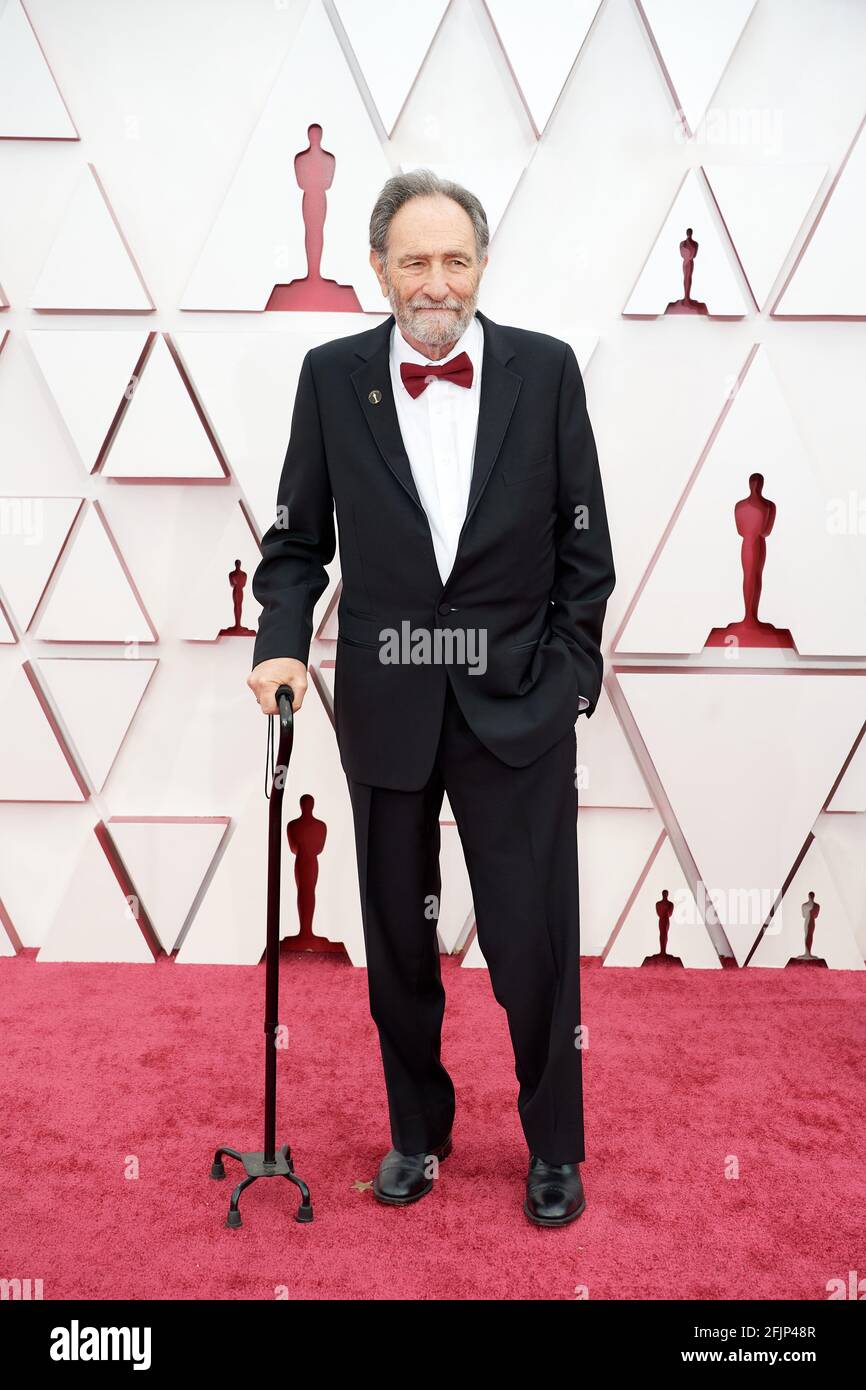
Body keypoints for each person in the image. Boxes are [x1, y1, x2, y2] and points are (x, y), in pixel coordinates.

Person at [247, 169, 616, 1226]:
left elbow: (583, 552)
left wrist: (569, 679)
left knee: (531, 942)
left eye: (454, 259)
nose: (435, 281)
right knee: (398, 943)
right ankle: (417, 1129)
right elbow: (295, 543)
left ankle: (553, 1146)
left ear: (482, 265)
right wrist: (280, 645)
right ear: (377, 267)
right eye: (413, 260)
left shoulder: (545, 373)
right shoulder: (331, 377)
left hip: (519, 704)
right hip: (389, 701)